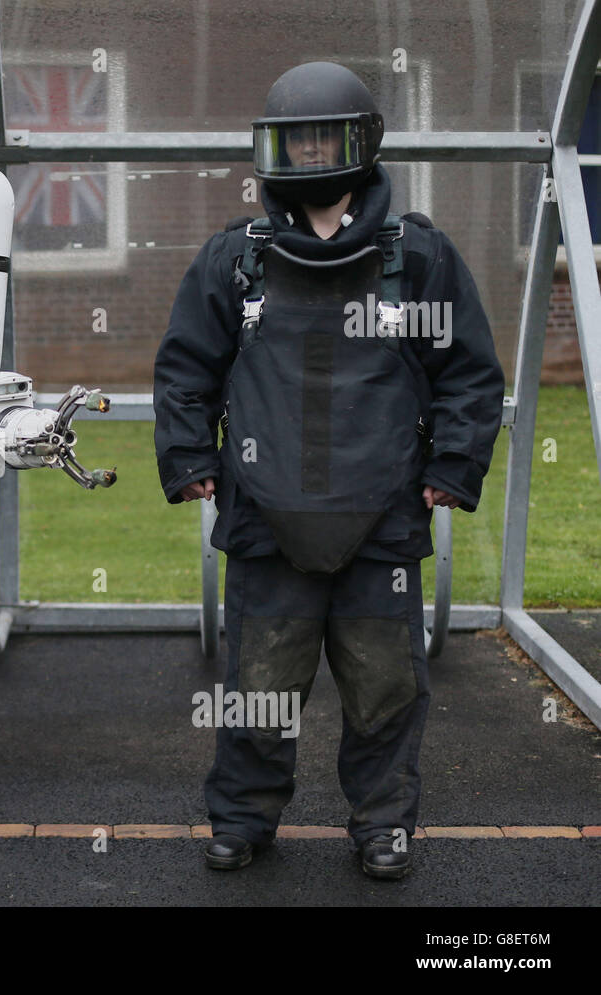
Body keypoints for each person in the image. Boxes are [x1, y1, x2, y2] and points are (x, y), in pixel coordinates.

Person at [153, 62, 504, 879]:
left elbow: (469, 374)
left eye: (325, 138)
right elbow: (185, 370)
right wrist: (188, 457)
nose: (311, 155)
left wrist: (454, 463)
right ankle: (242, 817)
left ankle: (383, 823)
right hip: (265, 519)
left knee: (385, 687)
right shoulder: (235, 263)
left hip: (380, 520)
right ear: (271, 152)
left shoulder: (416, 258)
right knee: (259, 686)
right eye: (295, 141)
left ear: (362, 143)